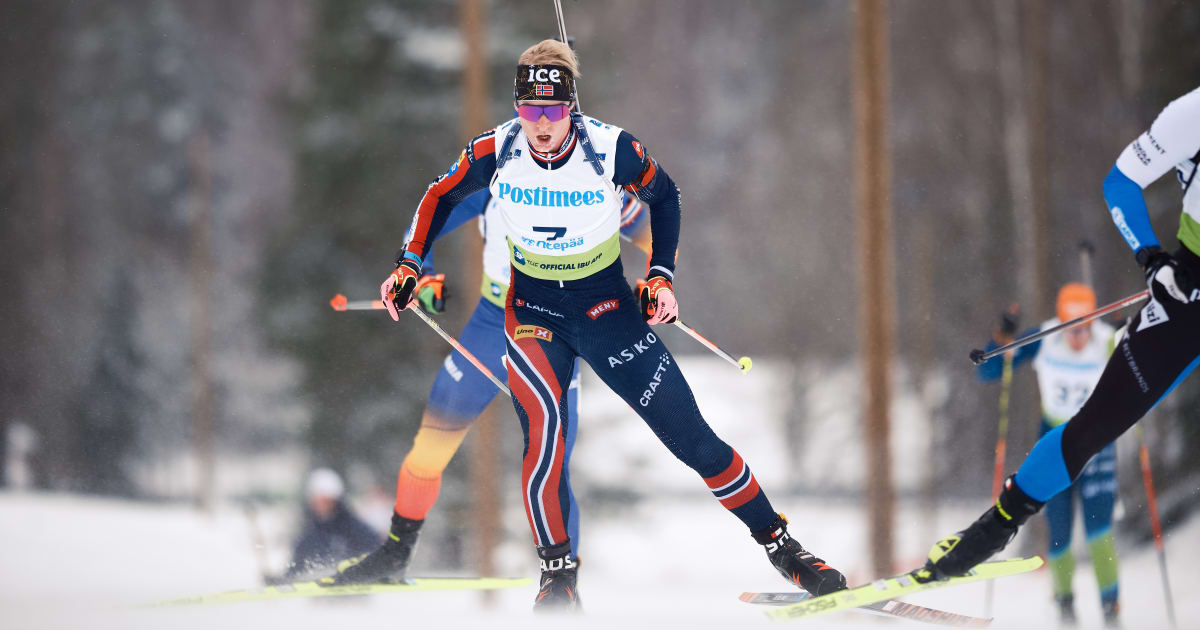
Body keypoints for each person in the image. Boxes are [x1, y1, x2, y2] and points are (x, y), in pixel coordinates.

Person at [377, 39, 847, 610]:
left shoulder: (610, 148)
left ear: (570, 107)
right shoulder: (495, 150)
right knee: (543, 444)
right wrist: (409, 264)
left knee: (693, 440)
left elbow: (666, 196)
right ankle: (557, 580)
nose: (541, 125)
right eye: (530, 111)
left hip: (606, 311)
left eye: (552, 112)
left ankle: (783, 546)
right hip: (533, 313)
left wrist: (661, 276)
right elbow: (438, 194)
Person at [918, 84, 1200, 626]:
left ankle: (1104, 603)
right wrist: (1152, 259)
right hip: (1189, 294)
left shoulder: (1094, 335)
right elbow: (1120, 182)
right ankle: (995, 531)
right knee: (1092, 434)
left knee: (1094, 528)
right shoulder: (1192, 115)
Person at [327, 186, 652, 585]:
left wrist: (653, 284)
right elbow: (426, 218)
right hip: (493, 323)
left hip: (558, 329)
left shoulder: (596, 182)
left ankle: (563, 583)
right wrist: (422, 272)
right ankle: (395, 553)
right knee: (431, 445)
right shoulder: (496, 174)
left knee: (553, 464)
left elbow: (651, 236)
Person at [977, 286, 1119, 625]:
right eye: (1071, 327)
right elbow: (989, 371)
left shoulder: (1108, 338)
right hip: (1056, 444)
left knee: (1100, 532)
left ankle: (1112, 608)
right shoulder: (1045, 337)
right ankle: (1065, 605)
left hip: (1098, 447)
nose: (1077, 336)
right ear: (1061, 322)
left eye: (1084, 327)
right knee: (1060, 532)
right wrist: (1002, 336)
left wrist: (1131, 327)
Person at [278, 468, 380, 581]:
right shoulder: (308, 533)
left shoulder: (355, 529)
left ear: (336, 500)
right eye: (317, 500)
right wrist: (280, 580)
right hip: (320, 594)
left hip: (354, 592)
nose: (321, 505)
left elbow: (374, 553)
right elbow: (296, 569)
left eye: (326, 500)